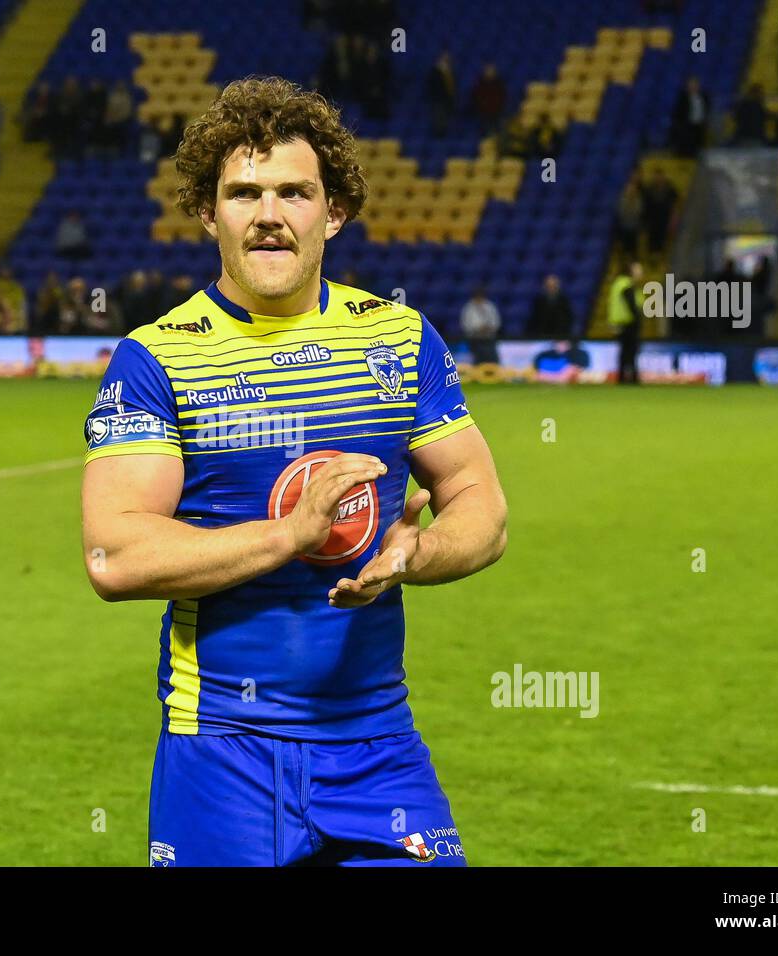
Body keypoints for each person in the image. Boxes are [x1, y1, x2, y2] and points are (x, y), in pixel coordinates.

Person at [81, 75, 507, 868]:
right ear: (209, 213)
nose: (269, 215)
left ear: (333, 211)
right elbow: (114, 555)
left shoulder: (399, 341)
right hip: (222, 753)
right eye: (243, 193)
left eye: (293, 193)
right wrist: (290, 535)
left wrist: (423, 553)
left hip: (379, 743)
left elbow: (481, 503)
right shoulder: (156, 358)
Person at [608, 261, 644, 384]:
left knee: (625, 351)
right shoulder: (626, 284)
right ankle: (631, 378)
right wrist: (638, 318)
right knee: (630, 351)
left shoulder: (620, 283)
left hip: (620, 322)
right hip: (628, 323)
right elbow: (632, 305)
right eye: (638, 270)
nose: (641, 273)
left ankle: (623, 378)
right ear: (631, 271)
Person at [640, 168, 678, 266]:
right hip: (652, 221)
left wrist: (672, 218)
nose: (658, 179)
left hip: (664, 220)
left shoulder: (670, 189)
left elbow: (675, 203)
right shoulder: (648, 190)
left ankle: (660, 259)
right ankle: (652, 260)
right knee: (652, 241)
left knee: (662, 240)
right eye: (656, 177)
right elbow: (645, 206)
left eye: (660, 176)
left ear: (663, 177)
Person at [669, 76, 709, 157]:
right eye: (691, 84)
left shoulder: (704, 96)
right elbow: (678, 112)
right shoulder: (682, 98)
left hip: (699, 125)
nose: (693, 86)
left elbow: (706, 109)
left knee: (698, 143)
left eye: (695, 84)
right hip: (687, 125)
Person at [459, 286, 500, 363]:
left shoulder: (490, 306)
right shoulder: (468, 308)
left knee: (493, 359)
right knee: (477, 360)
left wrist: (488, 328)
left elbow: (496, 322)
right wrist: (477, 329)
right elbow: (465, 325)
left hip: (489, 339)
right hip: (474, 340)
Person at [526, 274, 574, 338]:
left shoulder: (564, 301)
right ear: (545, 287)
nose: (551, 288)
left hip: (560, 335)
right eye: (549, 286)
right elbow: (534, 319)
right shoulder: (539, 301)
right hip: (542, 335)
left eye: (553, 286)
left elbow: (568, 318)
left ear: (557, 287)